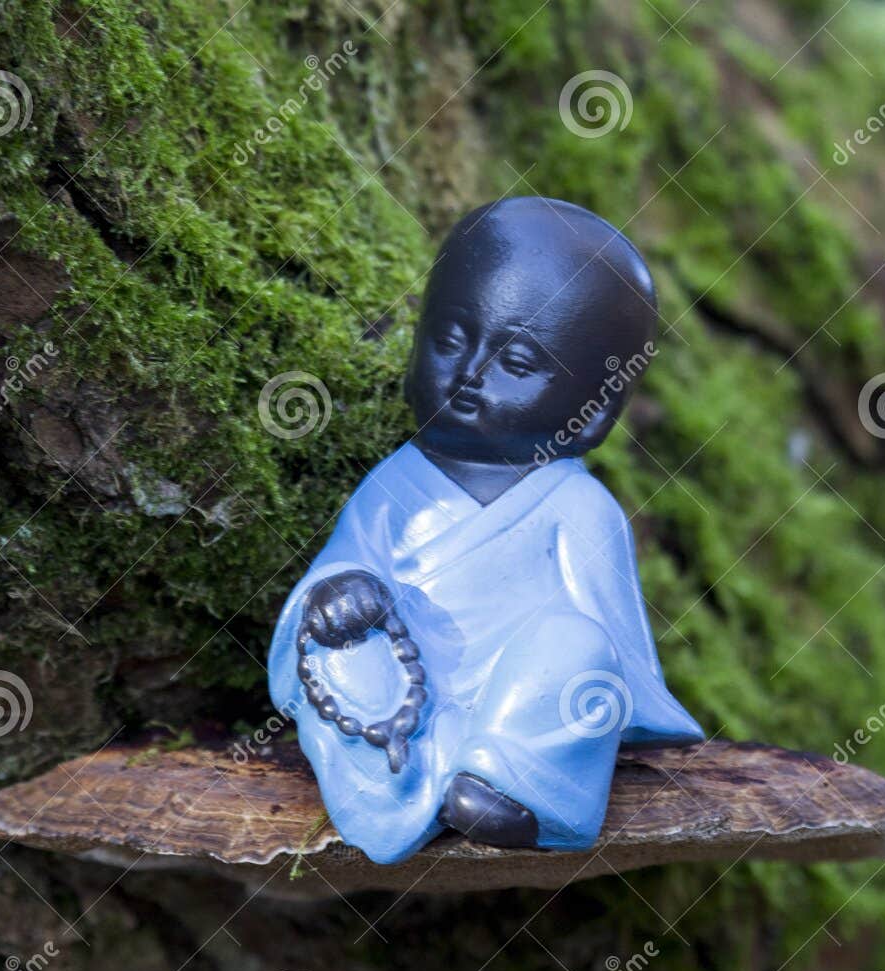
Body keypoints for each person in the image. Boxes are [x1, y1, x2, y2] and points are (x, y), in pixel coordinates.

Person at [267, 197, 702, 865]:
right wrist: (336, 590)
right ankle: (392, 787)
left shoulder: (580, 507)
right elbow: (341, 565)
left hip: (519, 706)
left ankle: (522, 789)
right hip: (401, 697)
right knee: (337, 632)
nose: (469, 373)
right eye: (448, 339)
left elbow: (615, 646)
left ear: (593, 413)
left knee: (575, 646)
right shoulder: (393, 485)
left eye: (517, 363)